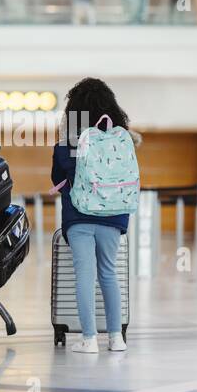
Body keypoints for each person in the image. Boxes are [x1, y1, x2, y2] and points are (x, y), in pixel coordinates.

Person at [51, 78, 132, 354]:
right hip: (114, 215)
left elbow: (57, 180)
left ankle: (89, 339)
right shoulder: (121, 139)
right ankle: (116, 338)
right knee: (109, 273)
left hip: (80, 217)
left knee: (84, 275)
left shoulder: (68, 144)